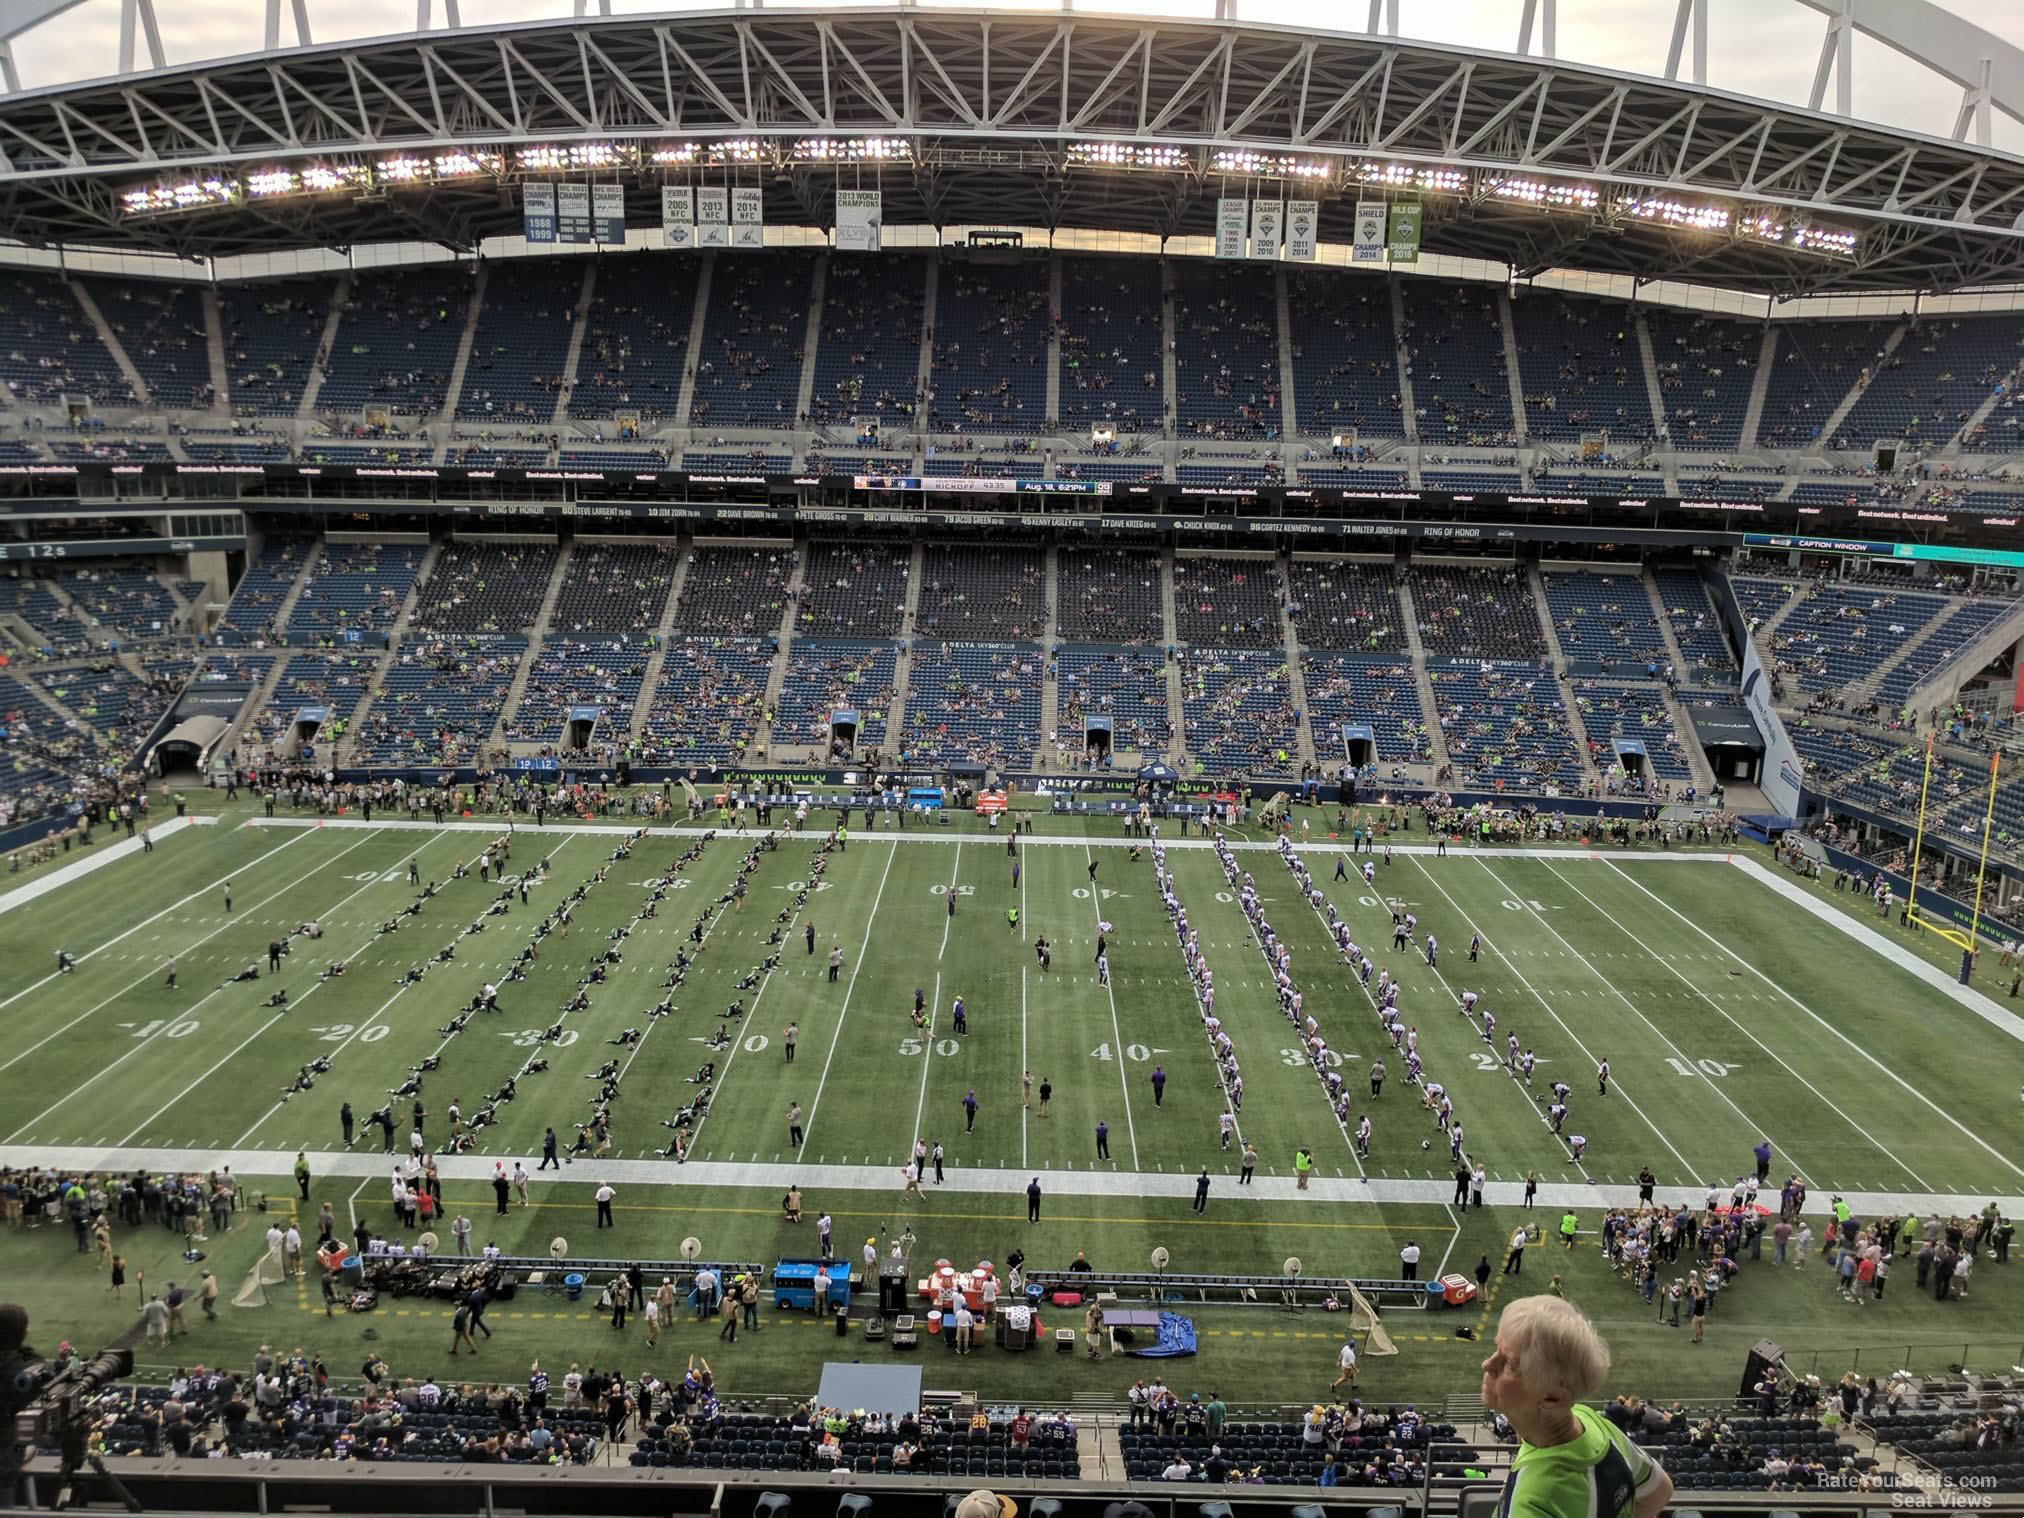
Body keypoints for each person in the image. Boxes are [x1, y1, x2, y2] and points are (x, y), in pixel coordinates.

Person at [1480, 1296, 1672, 1518]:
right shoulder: (1591, 1423)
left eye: (1510, 1364)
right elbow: (1659, 1492)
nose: (1488, 1364)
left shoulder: (1532, 1504)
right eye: (1496, 1350)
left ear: (1551, 1398)